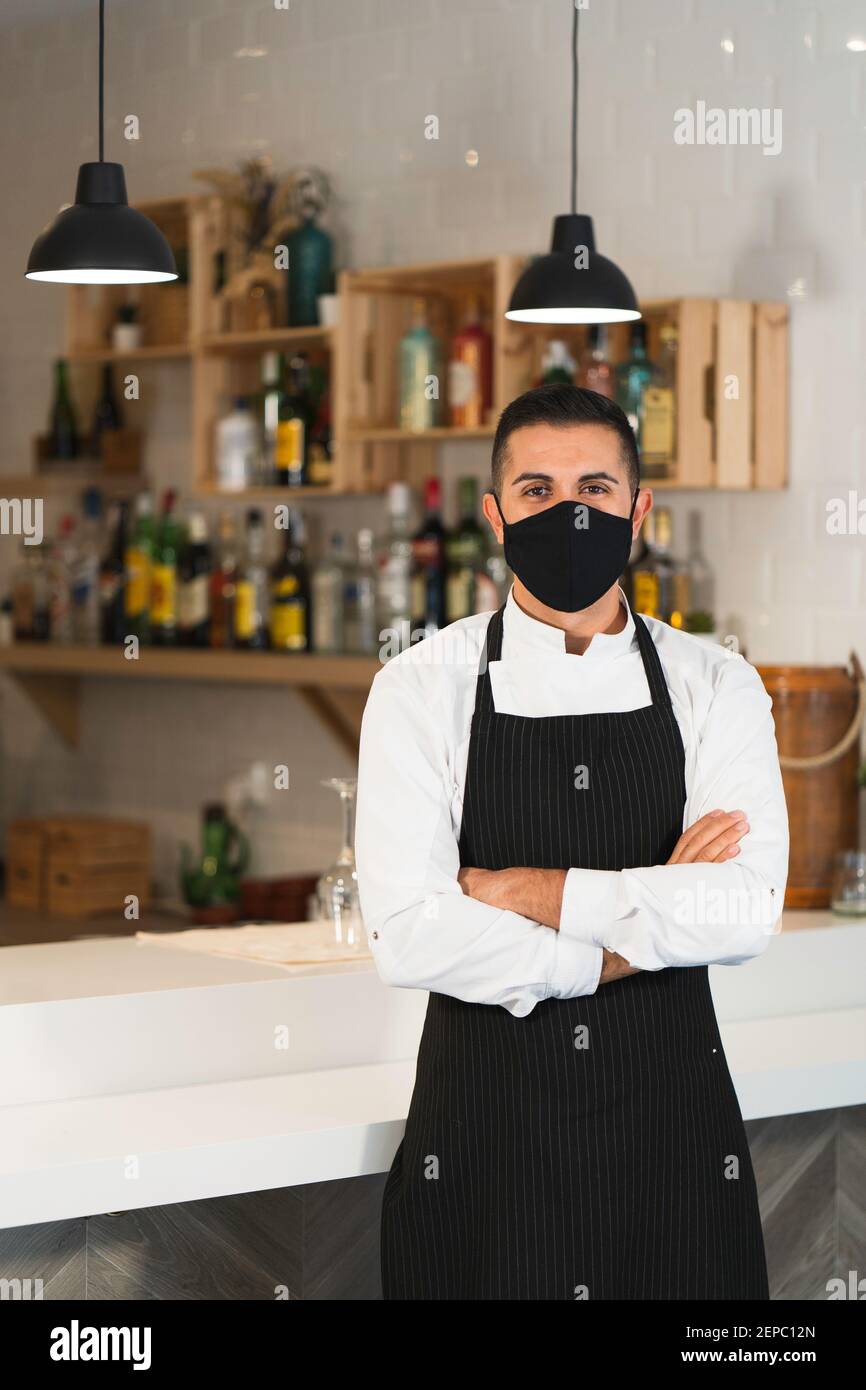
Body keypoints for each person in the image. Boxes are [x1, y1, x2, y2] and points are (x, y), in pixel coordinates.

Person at [356, 383, 789, 1301]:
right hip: (483, 1151)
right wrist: (638, 928)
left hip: (673, 1152)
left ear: (639, 511)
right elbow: (408, 932)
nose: (569, 513)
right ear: (495, 515)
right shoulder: (418, 690)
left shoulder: (719, 684)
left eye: (594, 489)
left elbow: (743, 909)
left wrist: (530, 891)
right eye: (538, 492)